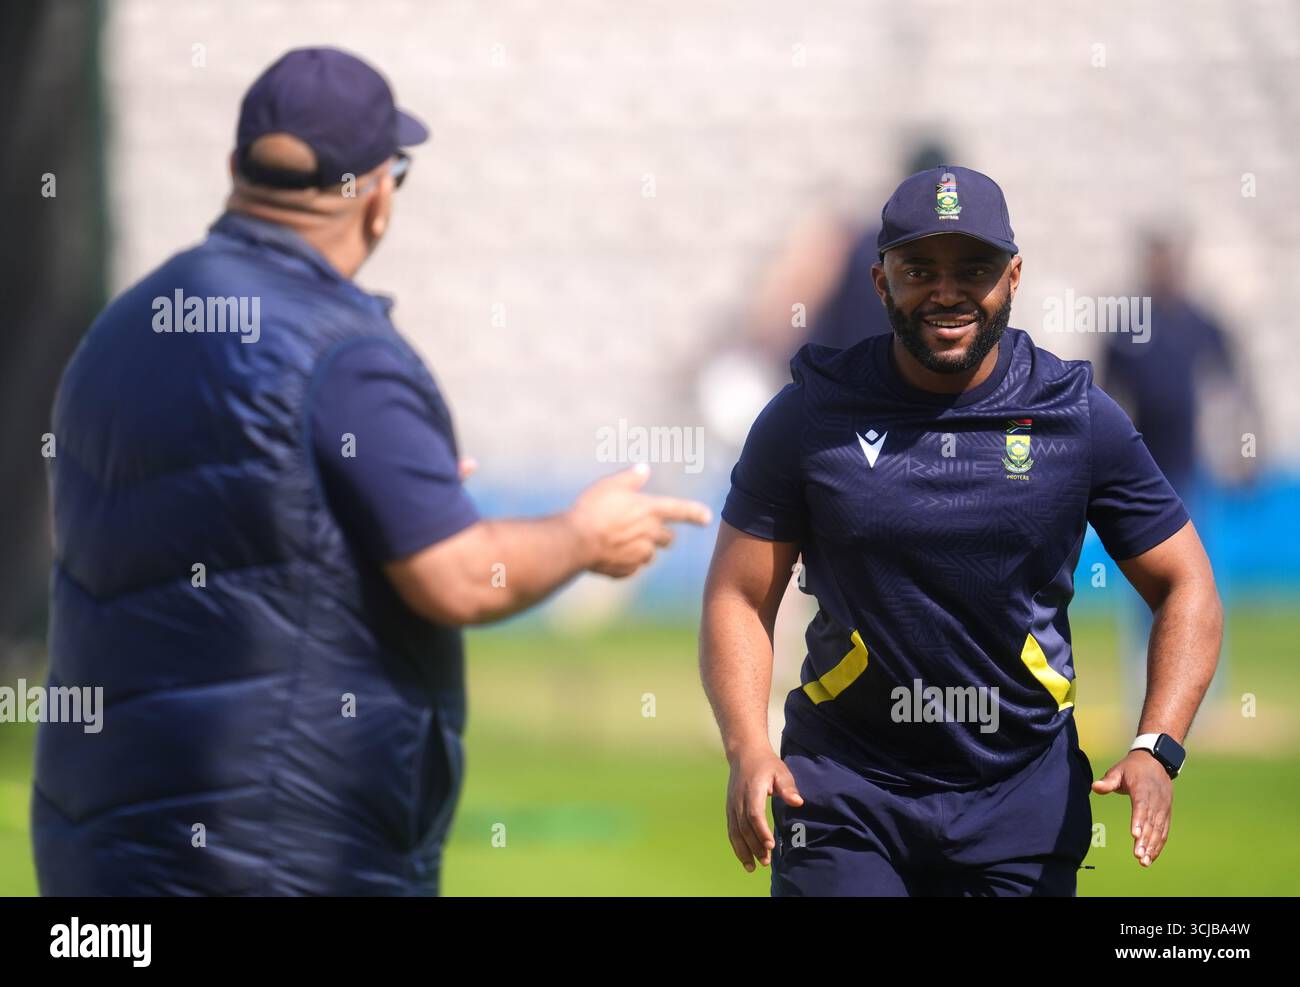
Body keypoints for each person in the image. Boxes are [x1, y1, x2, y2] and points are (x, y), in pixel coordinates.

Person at [33, 47, 709, 896]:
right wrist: (583, 536)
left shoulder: (118, 334)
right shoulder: (344, 352)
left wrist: (395, 495)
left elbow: (220, 527)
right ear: (380, 191)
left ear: (235, 170)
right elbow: (459, 577)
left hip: (96, 855)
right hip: (283, 852)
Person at [699, 166, 1223, 896]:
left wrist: (1156, 746)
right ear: (881, 282)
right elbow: (736, 593)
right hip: (844, 791)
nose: (947, 292)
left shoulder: (1076, 418)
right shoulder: (809, 416)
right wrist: (747, 746)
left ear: (1012, 277)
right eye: (920, 269)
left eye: (972, 268)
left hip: (1021, 801)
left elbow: (1185, 582)